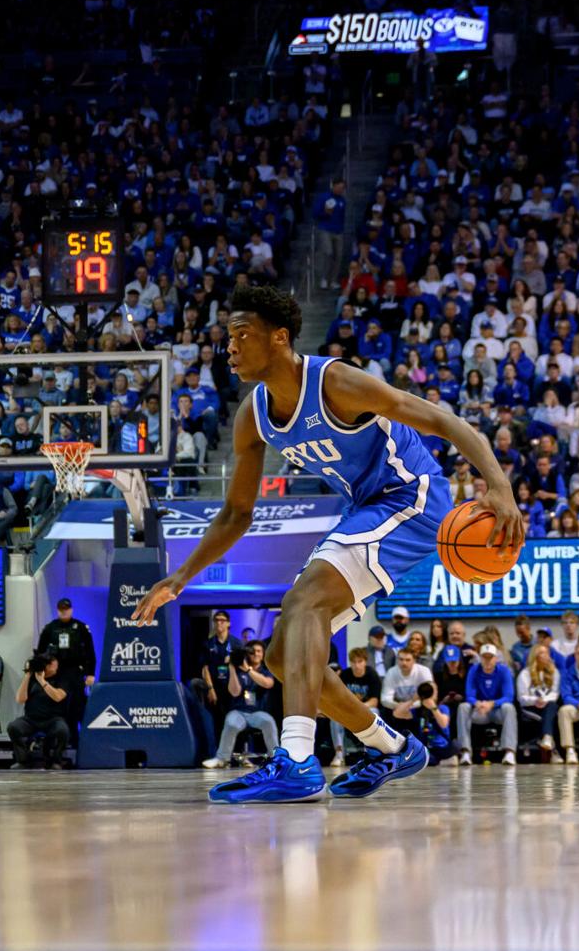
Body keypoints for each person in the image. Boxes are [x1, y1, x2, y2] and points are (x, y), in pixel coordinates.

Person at [138, 294, 519, 805]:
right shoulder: (252, 417)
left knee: (303, 603)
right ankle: (391, 747)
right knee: (279, 655)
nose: (228, 347)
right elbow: (235, 515)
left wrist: (498, 486)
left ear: (280, 337)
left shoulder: (337, 382)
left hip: (412, 498)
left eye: (240, 333)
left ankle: (296, 759)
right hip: (365, 506)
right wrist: (180, 577)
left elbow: (442, 421)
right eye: (227, 337)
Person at [202, 641, 279, 767]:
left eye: (259, 651)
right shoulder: (238, 670)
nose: (255, 654)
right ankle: (222, 759)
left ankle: (277, 759)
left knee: (269, 722)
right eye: (252, 651)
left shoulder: (265, 671)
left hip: (257, 712)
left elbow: (267, 683)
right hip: (238, 711)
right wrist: (232, 668)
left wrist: (248, 670)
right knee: (231, 723)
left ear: (263, 654)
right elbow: (234, 692)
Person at [37, 598, 96, 738]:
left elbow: (90, 652)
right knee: (60, 706)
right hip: (57, 673)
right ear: (57, 610)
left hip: (76, 672)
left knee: (78, 706)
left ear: (71, 610)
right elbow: (40, 652)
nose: (64, 612)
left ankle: (78, 739)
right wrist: (43, 672)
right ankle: (61, 738)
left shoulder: (81, 627)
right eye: (61, 609)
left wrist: (91, 673)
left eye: (66, 609)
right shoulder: (50, 628)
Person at [456, 644, 517, 765]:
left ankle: (509, 752)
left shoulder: (504, 670)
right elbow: (469, 695)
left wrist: (492, 703)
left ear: (496, 658)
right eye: (485, 657)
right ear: (480, 658)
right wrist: (477, 703)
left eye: (491, 657)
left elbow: (509, 696)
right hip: (480, 711)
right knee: (463, 707)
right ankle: (465, 752)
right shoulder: (474, 670)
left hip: (497, 710)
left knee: (509, 708)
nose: (488, 660)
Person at [8, 653, 70, 769]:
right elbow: (20, 699)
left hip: (53, 719)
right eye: (52, 663)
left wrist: (42, 681)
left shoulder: (62, 678)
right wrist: (27, 676)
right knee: (13, 727)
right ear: (45, 666)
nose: (55, 665)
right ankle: (23, 760)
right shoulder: (31, 679)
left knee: (63, 730)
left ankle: (56, 761)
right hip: (31, 719)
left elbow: (58, 697)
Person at [329, 647, 381, 765]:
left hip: (366, 708)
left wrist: (359, 707)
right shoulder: (345, 675)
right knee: (334, 719)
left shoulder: (372, 675)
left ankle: (372, 752)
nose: (357, 665)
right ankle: (339, 754)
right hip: (348, 708)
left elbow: (374, 701)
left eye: (360, 662)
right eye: (354, 662)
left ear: (365, 662)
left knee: (375, 713)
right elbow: (339, 698)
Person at [518, 644, 561, 756]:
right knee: (551, 715)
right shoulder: (525, 673)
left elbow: (555, 693)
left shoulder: (554, 672)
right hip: (530, 708)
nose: (546, 656)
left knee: (552, 707)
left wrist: (543, 700)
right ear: (535, 656)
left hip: (547, 706)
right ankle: (553, 750)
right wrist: (535, 700)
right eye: (542, 653)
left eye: (547, 653)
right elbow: (522, 698)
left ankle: (547, 738)